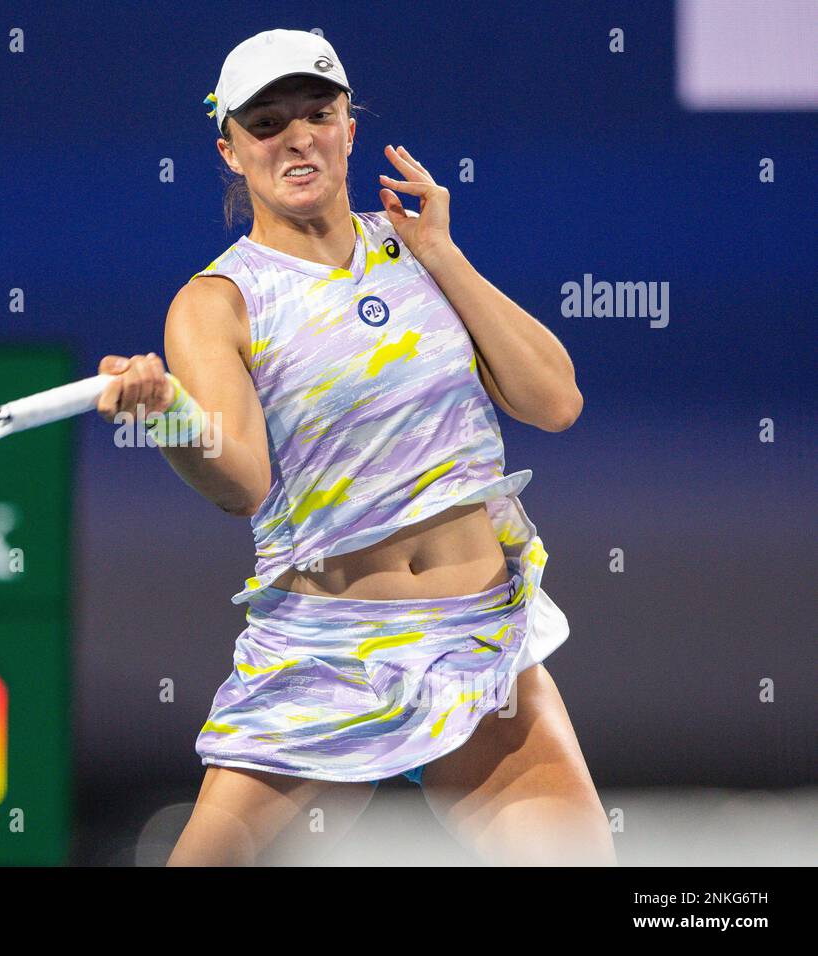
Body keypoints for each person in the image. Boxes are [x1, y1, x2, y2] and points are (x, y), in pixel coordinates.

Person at [96, 29, 615, 866]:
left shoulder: (417, 248)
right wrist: (166, 414)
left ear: (348, 126)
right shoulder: (217, 302)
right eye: (266, 123)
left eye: (317, 113)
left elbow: (555, 401)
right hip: (323, 657)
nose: (296, 137)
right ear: (230, 149)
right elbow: (243, 483)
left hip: (478, 645)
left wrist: (440, 252)